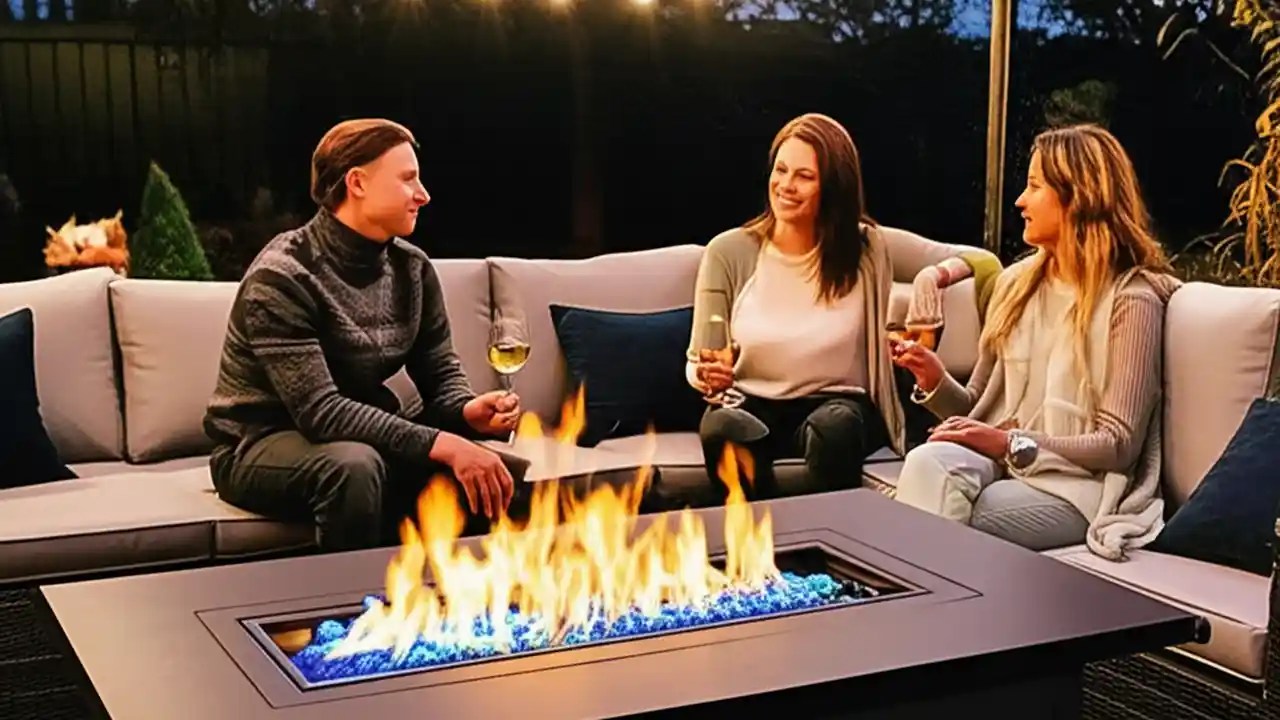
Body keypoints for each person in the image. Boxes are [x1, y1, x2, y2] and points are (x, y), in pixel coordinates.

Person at [204, 118, 527, 552]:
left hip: (357, 436)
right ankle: (349, 614)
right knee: (354, 468)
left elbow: (440, 372)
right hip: (259, 443)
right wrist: (445, 444)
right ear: (357, 183)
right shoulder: (283, 276)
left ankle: (458, 610)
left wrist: (468, 412)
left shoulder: (412, 269)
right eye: (408, 179)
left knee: (497, 474)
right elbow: (321, 412)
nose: (423, 195)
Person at [891, 123, 1181, 557]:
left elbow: (1118, 447)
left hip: (1081, 487)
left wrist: (1010, 443)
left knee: (962, 510)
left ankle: (925, 615)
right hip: (1008, 467)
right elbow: (977, 409)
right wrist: (934, 380)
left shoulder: (1132, 299)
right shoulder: (1017, 284)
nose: (1020, 201)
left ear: (1078, 197)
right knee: (926, 464)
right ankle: (932, 612)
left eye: (1034, 187)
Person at [685, 112, 998, 501]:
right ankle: (759, 548)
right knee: (721, 428)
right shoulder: (728, 252)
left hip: (839, 406)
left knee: (835, 428)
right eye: (780, 170)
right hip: (751, 403)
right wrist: (704, 376)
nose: (786, 185)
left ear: (833, 188)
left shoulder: (868, 248)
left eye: (805, 176)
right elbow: (698, 363)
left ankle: (822, 547)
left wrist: (931, 279)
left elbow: (982, 261)